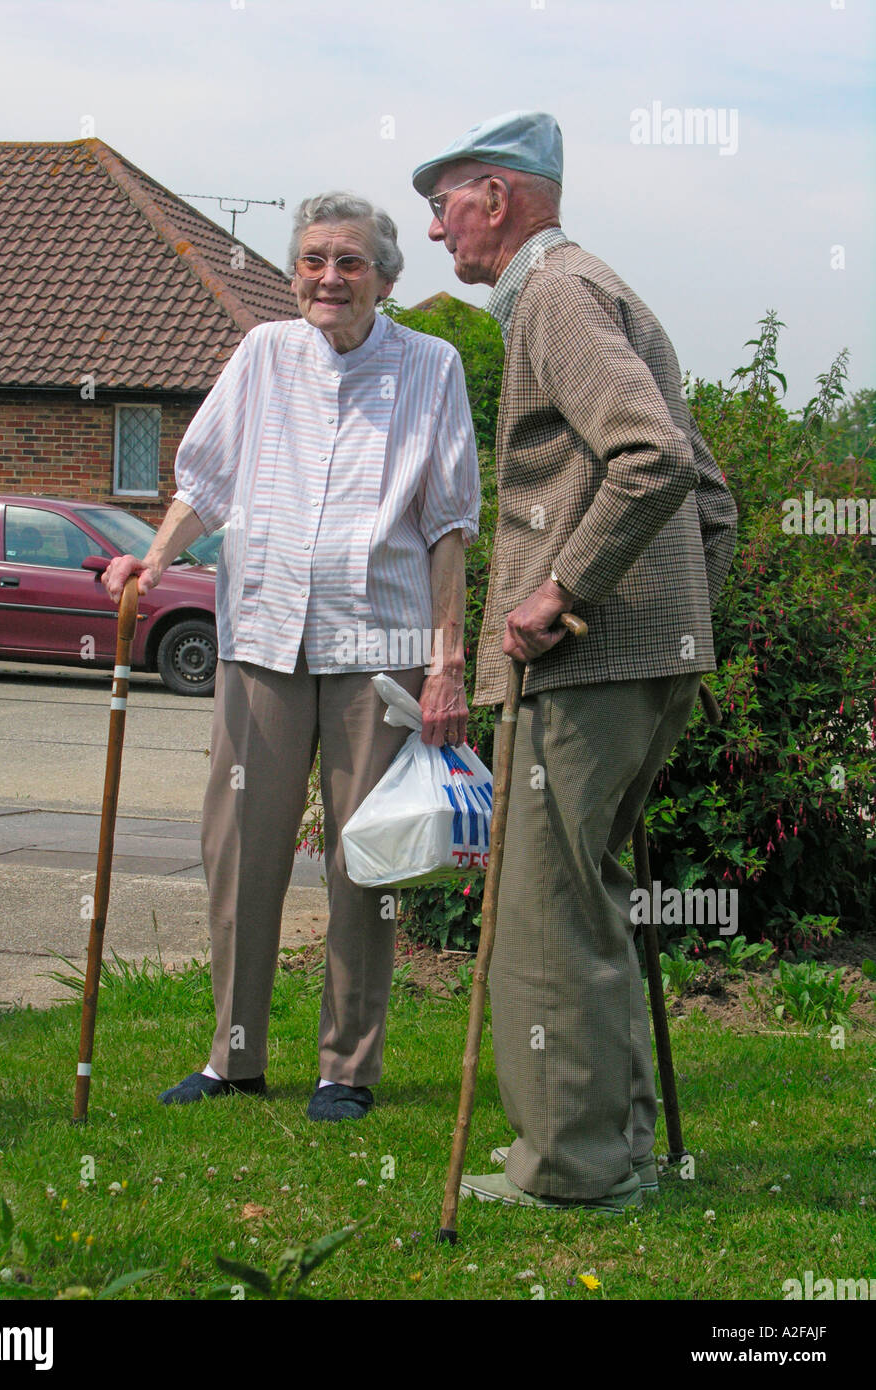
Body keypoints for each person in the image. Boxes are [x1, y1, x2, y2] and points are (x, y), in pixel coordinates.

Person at [412, 112, 737, 1208]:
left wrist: (564, 588)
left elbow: (648, 463)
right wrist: (674, 626)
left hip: (585, 664)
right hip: (634, 662)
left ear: (498, 198)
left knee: (543, 913)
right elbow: (712, 498)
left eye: (445, 198)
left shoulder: (553, 294)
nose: (431, 223)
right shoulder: (597, 288)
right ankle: (615, 1148)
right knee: (588, 903)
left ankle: (570, 1172)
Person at [103, 193, 478, 1122]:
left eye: (350, 263)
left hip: (376, 650)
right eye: (314, 260)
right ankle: (236, 1059)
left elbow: (448, 528)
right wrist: (153, 557)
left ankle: (345, 1069)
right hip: (263, 640)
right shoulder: (263, 355)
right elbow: (208, 483)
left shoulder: (433, 367)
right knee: (240, 852)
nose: (328, 278)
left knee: (368, 860)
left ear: (387, 279)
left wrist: (447, 661)